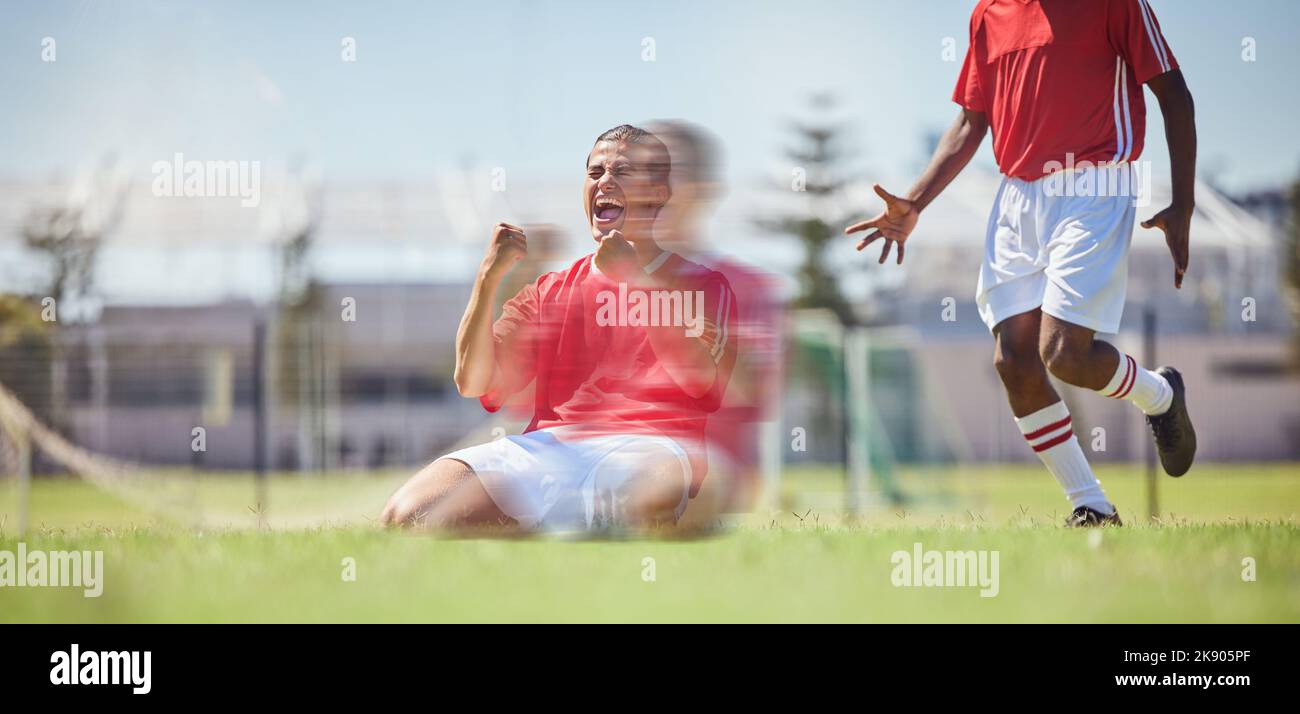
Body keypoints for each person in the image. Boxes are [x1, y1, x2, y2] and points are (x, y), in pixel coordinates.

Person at [845, 0, 1198, 526]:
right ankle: (1092, 506)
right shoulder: (988, 12)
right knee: (1014, 361)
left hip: (1094, 184)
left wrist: (1184, 203)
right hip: (1016, 197)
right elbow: (970, 122)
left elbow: (1174, 94)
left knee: (1064, 354)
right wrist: (915, 202)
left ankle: (1160, 396)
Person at [381, 124, 738, 533]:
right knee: (407, 515)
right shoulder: (550, 290)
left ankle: (566, 521)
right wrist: (488, 277)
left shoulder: (702, 284)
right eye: (595, 172)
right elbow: (473, 381)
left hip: (651, 445)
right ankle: (568, 520)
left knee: (653, 495)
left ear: (658, 193)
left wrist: (634, 279)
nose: (604, 181)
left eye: (622, 172)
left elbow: (701, 383)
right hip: (551, 447)